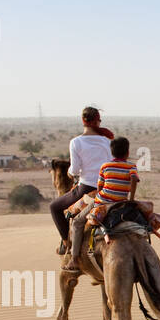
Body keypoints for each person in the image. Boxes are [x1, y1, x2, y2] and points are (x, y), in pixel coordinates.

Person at [49, 106, 114, 256]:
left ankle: (66, 244)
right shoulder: (105, 141)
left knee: (54, 207)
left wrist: (70, 173)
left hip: (86, 188)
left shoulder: (76, 142)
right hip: (106, 187)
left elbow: (75, 169)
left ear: (83, 121)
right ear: (98, 122)